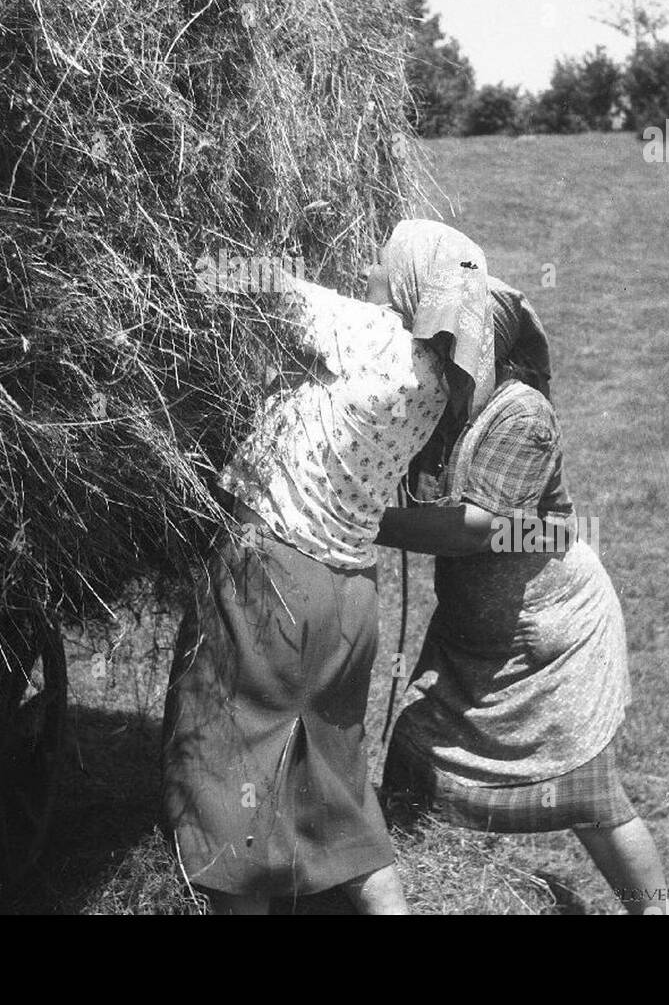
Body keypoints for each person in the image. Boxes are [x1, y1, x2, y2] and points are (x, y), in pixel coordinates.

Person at [161, 219, 502, 914]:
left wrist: (186, 247)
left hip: (274, 580)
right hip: (348, 597)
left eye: (381, 263)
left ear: (407, 283)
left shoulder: (373, 334)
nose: (368, 273)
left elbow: (268, 291)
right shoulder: (437, 384)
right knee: (339, 787)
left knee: (228, 770)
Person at [376, 277, 669, 914]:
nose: (436, 358)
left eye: (451, 348)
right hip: (476, 631)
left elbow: (479, 527)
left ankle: (657, 913)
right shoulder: (444, 407)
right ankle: (408, 885)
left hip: (548, 630)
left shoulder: (521, 414)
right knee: (414, 751)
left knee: (590, 795)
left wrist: (367, 521)